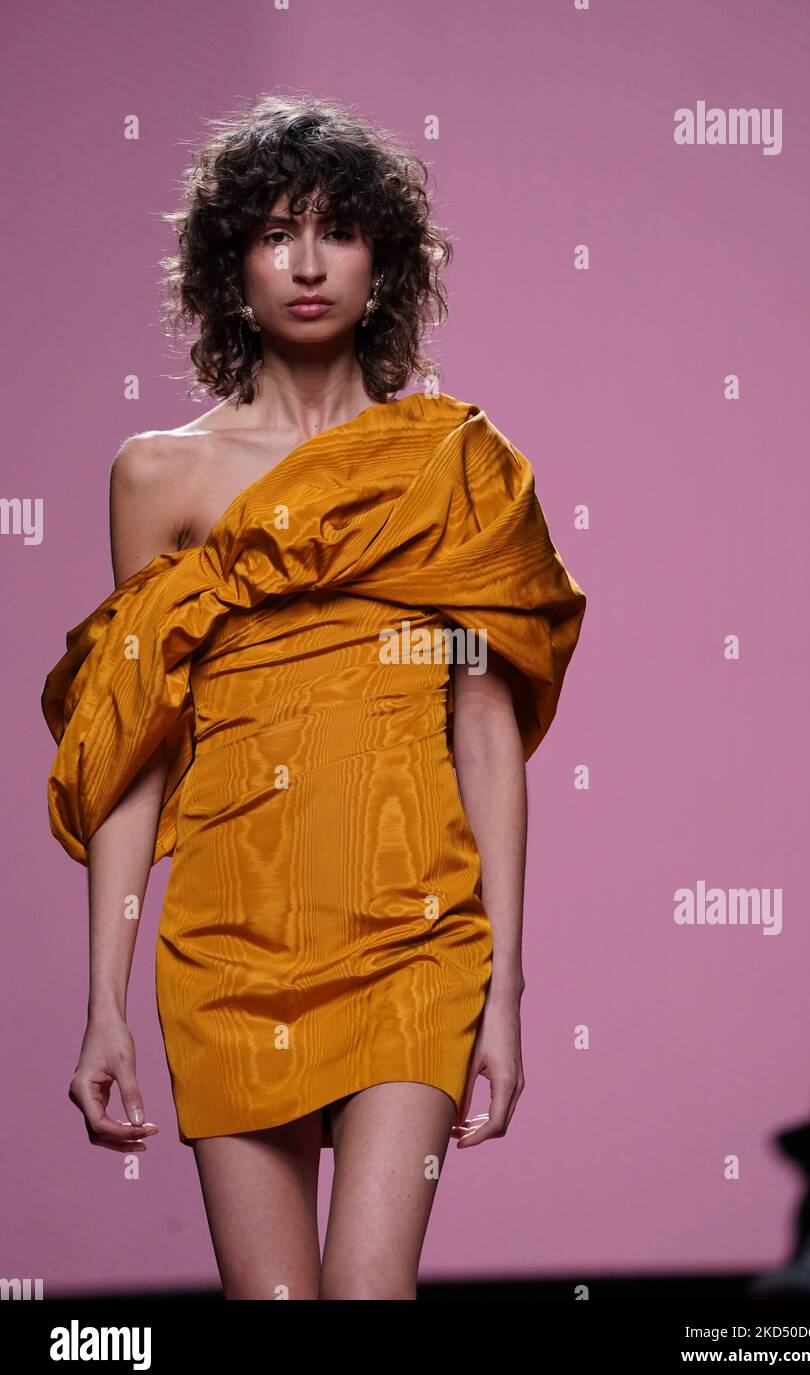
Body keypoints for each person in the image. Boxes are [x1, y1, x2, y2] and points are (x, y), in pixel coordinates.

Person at [41, 94, 587, 1300]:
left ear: (380, 267)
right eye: (274, 231)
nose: (303, 261)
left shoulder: (452, 467)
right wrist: (103, 1005)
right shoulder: (160, 475)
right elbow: (131, 746)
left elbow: (484, 734)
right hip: (228, 938)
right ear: (227, 266)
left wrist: (506, 985)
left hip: (414, 929)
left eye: (336, 231)